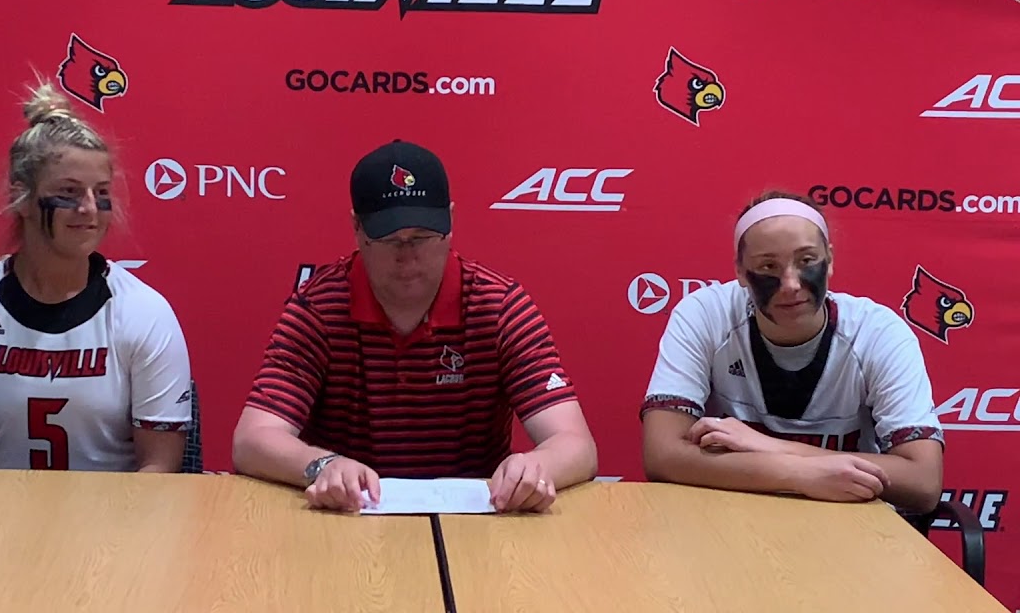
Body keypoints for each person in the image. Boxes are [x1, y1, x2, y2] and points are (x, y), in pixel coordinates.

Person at [232, 139, 599, 513]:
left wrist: (537, 467)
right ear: (357, 227)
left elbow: (576, 444)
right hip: (348, 516)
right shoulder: (319, 309)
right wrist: (323, 465)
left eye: (422, 237)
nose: (407, 256)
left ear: (450, 222)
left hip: (477, 522)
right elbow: (252, 438)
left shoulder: (499, 307)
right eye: (389, 238)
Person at [0, 82, 194, 513]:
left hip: (112, 536)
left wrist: (93, 545)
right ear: (21, 198)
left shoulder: (145, 314)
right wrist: (2, 542)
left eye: (101, 193)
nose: (89, 209)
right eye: (68, 192)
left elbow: (158, 470)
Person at [639, 191, 944, 514]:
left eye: (806, 261)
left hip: (850, 523)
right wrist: (798, 474)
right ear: (741, 271)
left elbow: (924, 482)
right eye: (768, 266)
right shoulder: (705, 315)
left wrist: (770, 446)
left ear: (829, 260)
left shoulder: (877, 332)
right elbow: (662, 455)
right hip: (729, 519)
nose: (790, 284)